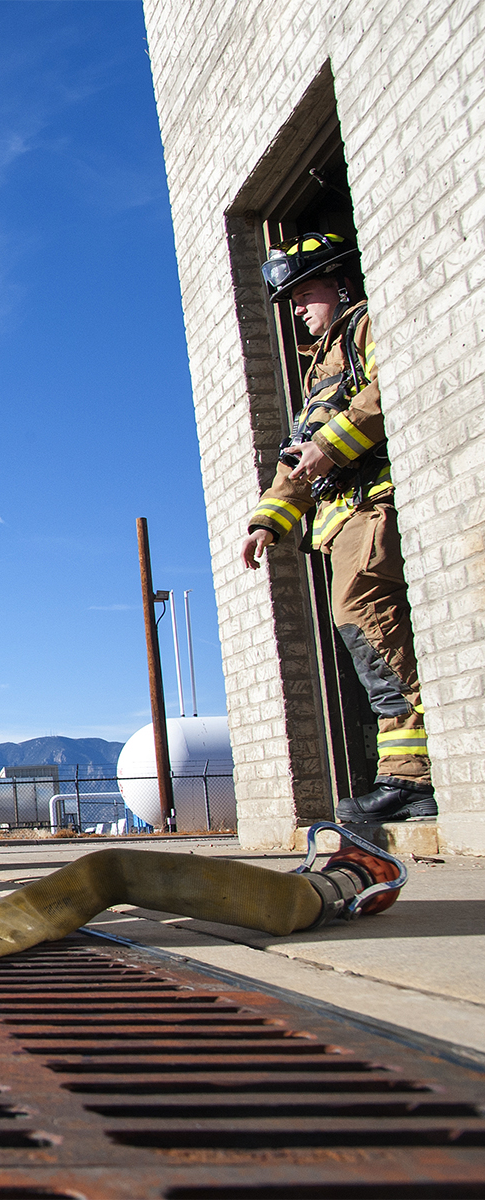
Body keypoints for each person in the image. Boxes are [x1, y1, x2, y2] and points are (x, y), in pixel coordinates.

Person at [240, 232, 432, 824]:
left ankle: (414, 777)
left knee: (370, 626)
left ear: (342, 282)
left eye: (305, 293)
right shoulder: (319, 375)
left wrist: (330, 444)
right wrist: (266, 521)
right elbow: (296, 465)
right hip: (339, 523)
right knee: (360, 635)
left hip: (372, 509)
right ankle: (405, 774)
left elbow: (384, 394)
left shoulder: (367, 329)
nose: (298, 309)